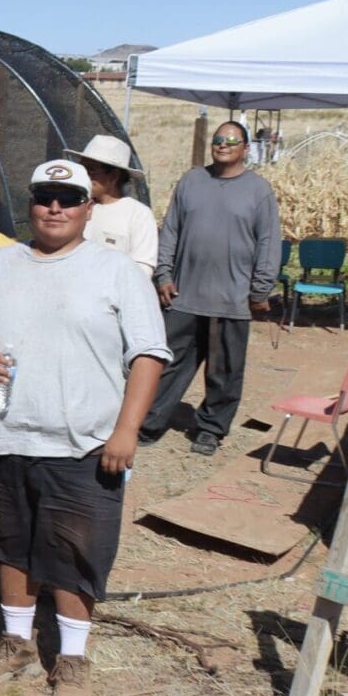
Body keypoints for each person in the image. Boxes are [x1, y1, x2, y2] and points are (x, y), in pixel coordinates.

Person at [0, 158, 168, 696]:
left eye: (68, 198)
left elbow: (148, 355)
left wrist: (127, 431)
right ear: (29, 203)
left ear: (88, 207)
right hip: (2, 435)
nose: (55, 208)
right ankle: (17, 642)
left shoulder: (117, 270)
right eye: (45, 197)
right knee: (9, 540)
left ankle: (72, 657)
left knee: (77, 548)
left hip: (86, 442)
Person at [140, 121, 280, 456]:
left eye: (232, 140)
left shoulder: (258, 191)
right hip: (184, 295)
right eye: (218, 139)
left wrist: (260, 291)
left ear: (246, 148)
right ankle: (149, 423)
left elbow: (268, 242)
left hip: (231, 300)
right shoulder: (192, 180)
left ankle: (210, 428)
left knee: (224, 370)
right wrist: (164, 274)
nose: (223, 144)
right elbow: (171, 229)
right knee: (167, 363)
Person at [72, 135, 156, 280]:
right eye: (82, 169)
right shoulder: (74, 207)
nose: (84, 176)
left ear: (114, 176)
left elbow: (143, 268)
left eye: (91, 171)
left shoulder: (138, 214)